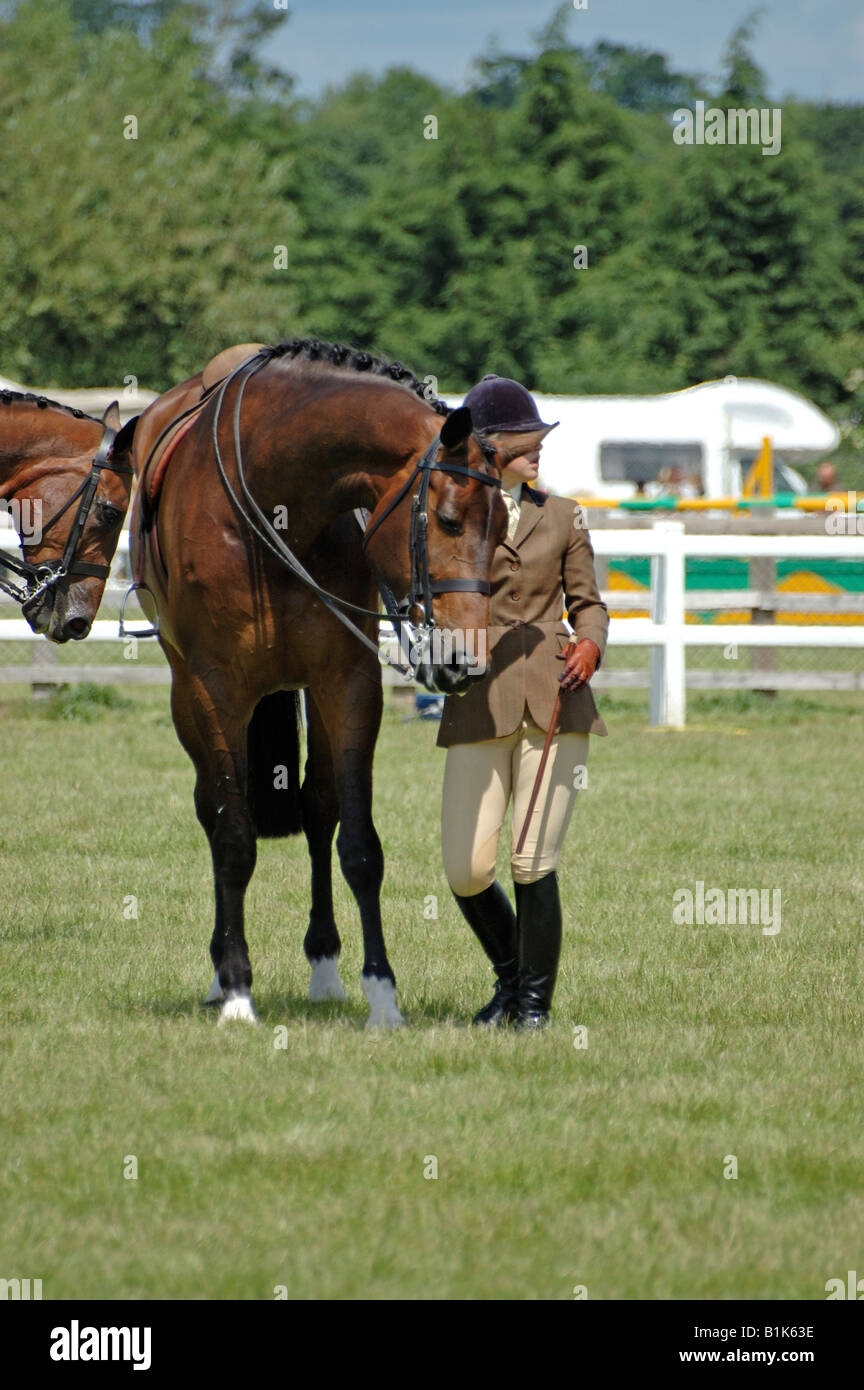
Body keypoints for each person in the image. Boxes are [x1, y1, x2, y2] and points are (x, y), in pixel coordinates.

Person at [437, 374, 609, 1029]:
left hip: (554, 694)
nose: (537, 450)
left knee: (532, 858)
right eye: (524, 442)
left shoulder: (563, 515)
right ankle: (511, 980)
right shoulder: (454, 512)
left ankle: (532, 1007)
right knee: (466, 866)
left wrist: (589, 642)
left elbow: (588, 602)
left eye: (539, 440)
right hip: (478, 698)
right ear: (489, 448)